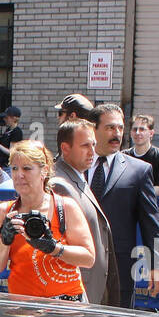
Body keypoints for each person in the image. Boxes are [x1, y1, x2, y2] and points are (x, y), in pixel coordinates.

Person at [0, 141, 95, 300]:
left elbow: (88, 258)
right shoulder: (5, 211)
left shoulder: (65, 207)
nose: (19, 175)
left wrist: (54, 248)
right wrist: (5, 241)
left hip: (64, 305)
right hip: (23, 305)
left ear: (44, 171)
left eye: (27, 168)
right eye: (14, 168)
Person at [90, 104, 159, 308]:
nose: (117, 134)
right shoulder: (74, 167)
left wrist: (157, 265)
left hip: (120, 269)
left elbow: (152, 223)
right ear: (93, 129)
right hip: (79, 266)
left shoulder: (139, 171)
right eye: (110, 128)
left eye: (120, 128)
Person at [52, 120, 120, 306]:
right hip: (76, 293)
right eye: (85, 146)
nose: (92, 152)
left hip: (92, 288)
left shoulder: (77, 176)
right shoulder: (59, 183)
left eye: (93, 145)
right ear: (65, 148)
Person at [126, 114, 159, 196]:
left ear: (151, 133)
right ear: (130, 133)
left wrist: (134, 192)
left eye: (142, 129)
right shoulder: (124, 156)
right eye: (134, 129)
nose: (137, 133)